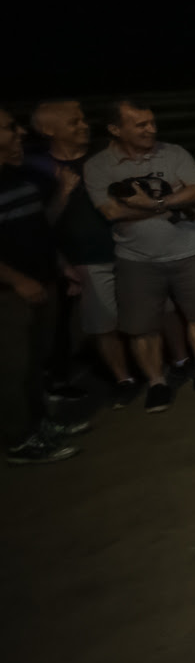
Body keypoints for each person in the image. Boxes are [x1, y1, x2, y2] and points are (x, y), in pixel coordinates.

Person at [26, 99, 184, 404]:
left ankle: (177, 361)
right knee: (104, 323)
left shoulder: (105, 155)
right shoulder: (40, 173)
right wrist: (63, 194)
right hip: (87, 256)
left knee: (158, 308)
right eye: (74, 121)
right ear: (48, 129)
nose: (83, 125)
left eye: (83, 119)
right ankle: (123, 378)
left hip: (133, 247)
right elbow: (41, 224)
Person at [84, 99, 195, 409]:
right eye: (141, 125)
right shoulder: (98, 166)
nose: (152, 129)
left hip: (190, 250)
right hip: (137, 258)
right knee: (141, 327)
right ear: (115, 129)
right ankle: (156, 382)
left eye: (152, 122)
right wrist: (176, 202)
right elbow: (110, 212)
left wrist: (151, 205)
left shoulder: (173, 152)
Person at [2, 106, 82, 465]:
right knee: (13, 368)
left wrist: (60, 264)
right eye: (9, 127)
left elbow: (39, 228)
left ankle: (39, 424)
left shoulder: (17, 177)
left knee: (36, 362)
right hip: (10, 293)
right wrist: (17, 280)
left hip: (43, 280)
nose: (19, 132)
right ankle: (20, 440)